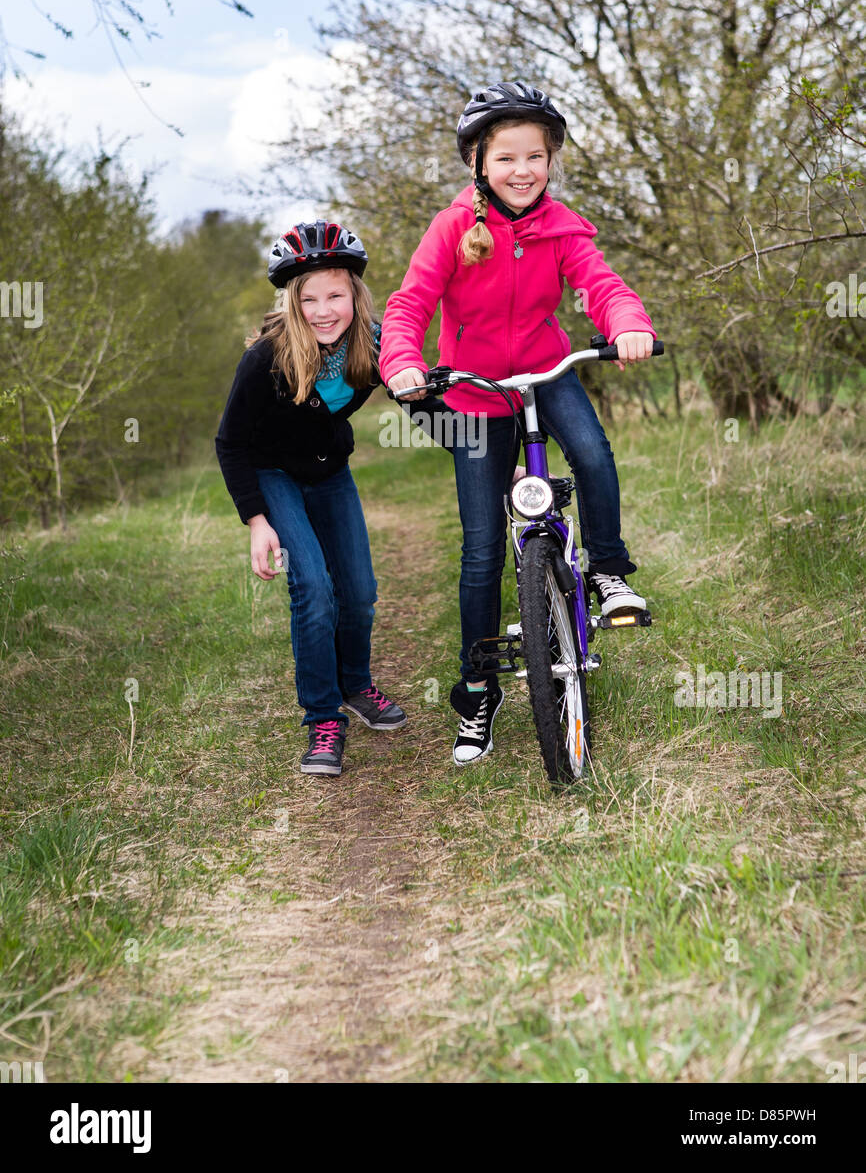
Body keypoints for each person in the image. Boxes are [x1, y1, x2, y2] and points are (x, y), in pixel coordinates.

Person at [380, 81, 656, 768]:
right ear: (478, 161)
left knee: (591, 453)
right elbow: (410, 302)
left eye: (536, 155)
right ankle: (478, 691)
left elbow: (601, 285)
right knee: (480, 552)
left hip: (546, 370)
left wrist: (626, 325)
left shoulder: (560, 227)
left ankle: (607, 572)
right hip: (474, 392)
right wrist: (403, 361)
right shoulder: (451, 229)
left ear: (552, 160)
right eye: (507, 158)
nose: (523, 170)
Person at [215, 219, 406, 778]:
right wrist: (256, 520)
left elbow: (418, 397)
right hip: (273, 474)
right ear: (292, 302)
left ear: (355, 295)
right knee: (315, 591)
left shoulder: (371, 345)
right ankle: (323, 717)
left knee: (360, 591)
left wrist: (484, 451)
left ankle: (355, 684)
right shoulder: (267, 359)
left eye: (336, 295)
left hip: (330, 474)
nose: (325, 310)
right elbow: (230, 442)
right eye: (310, 298)